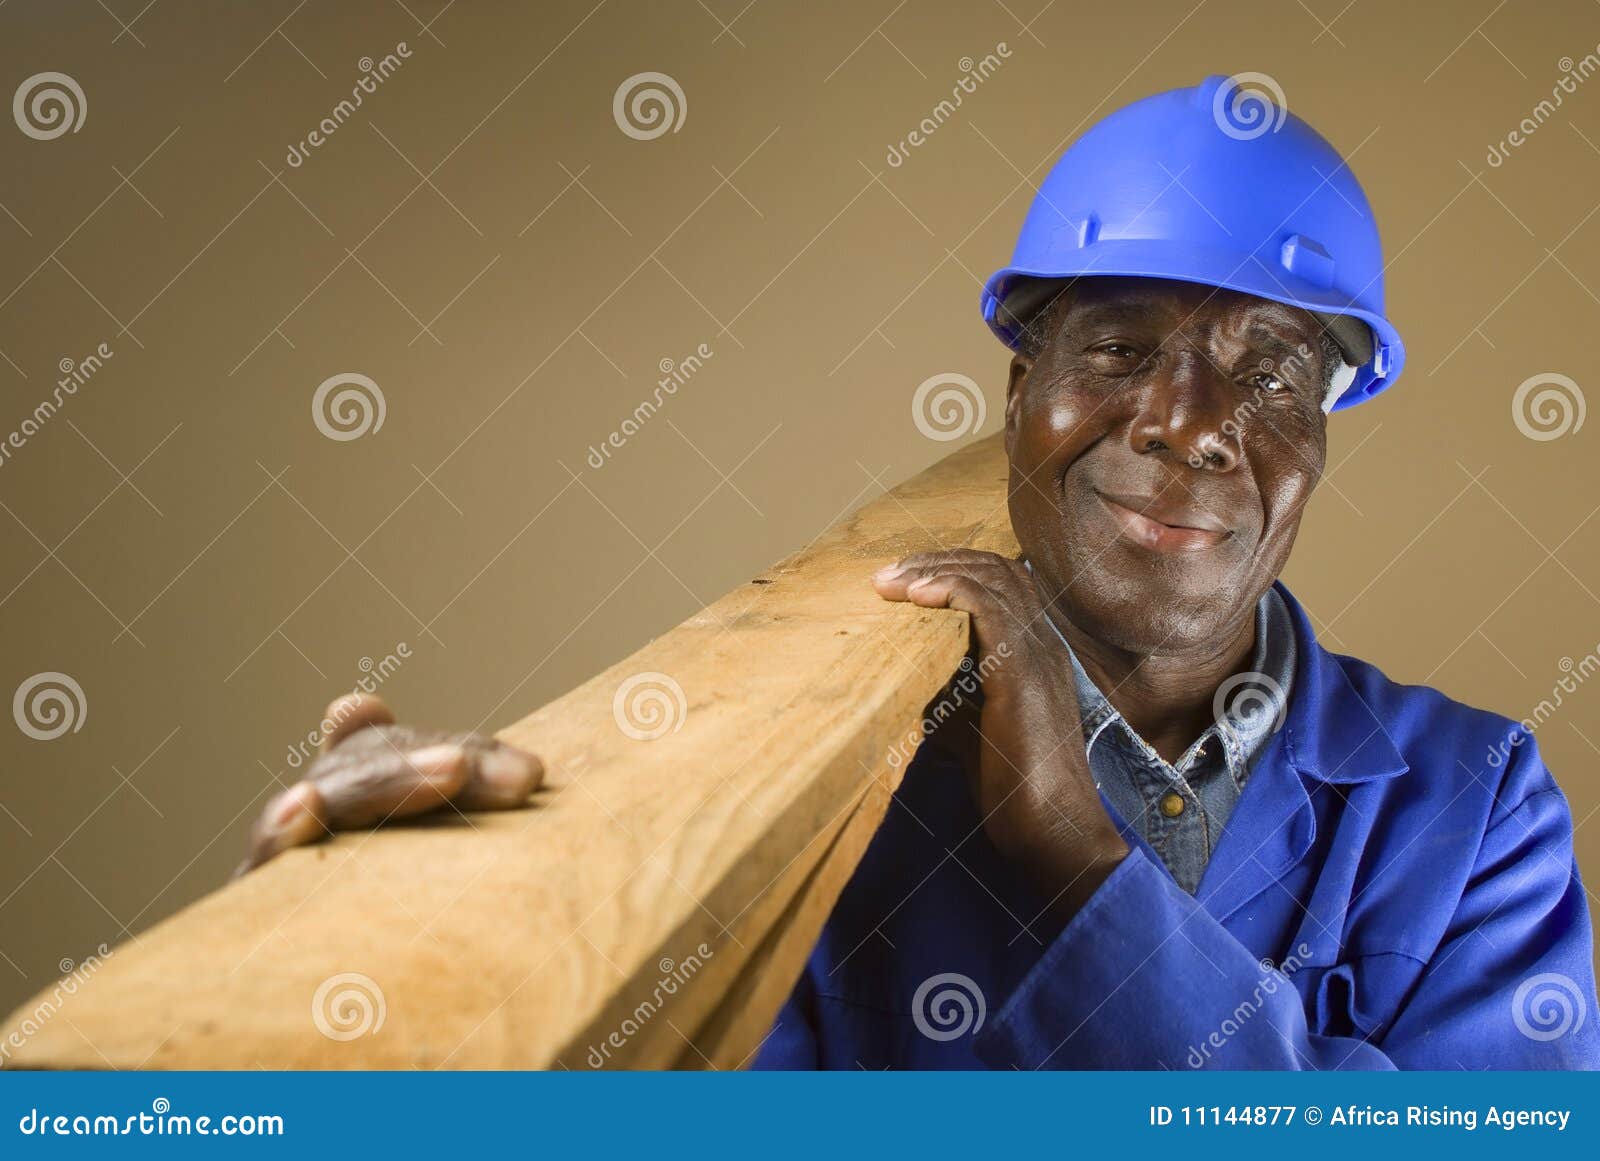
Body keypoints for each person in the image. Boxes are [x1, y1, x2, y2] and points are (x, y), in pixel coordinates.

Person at [239, 77, 1600, 1070]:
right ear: (1022, 403)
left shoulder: (1473, 813)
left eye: (1270, 371)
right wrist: (401, 989)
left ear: (1316, 440)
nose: (1191, 419)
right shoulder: (836, 783)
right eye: (1121, 347)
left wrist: (1074, 857)